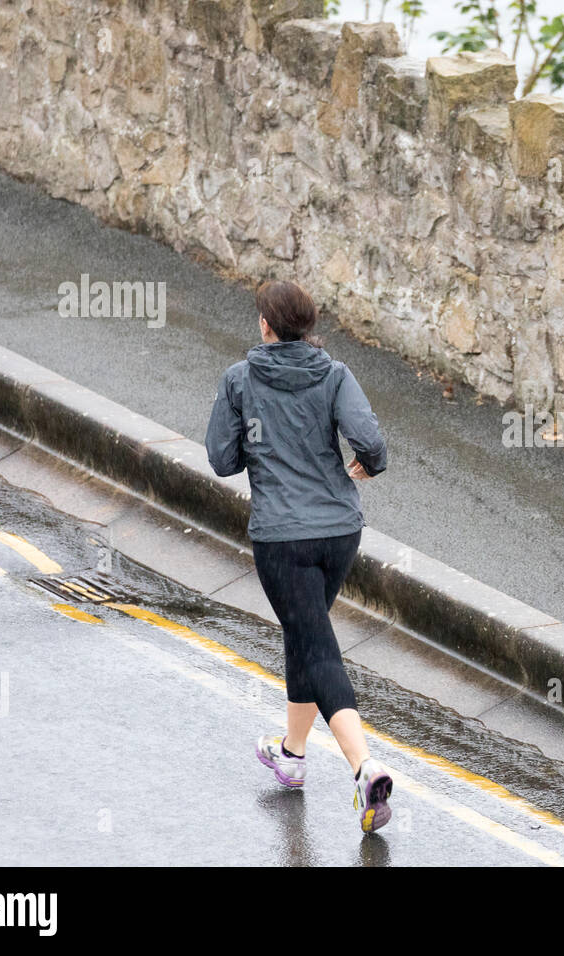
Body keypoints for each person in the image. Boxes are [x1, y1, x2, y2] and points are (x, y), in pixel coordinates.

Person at [205, 278, 396, 829]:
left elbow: (221, 458)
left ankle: (363, 769)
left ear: (266, 325)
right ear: (309, 327)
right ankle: (291, 756)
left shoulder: (240, 380)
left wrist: (261, 444)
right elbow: (372, 443)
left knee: (316, 646)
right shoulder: (335, 374)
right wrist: (367, 465)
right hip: (339, 531)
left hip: (282, 539)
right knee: (305, 633)